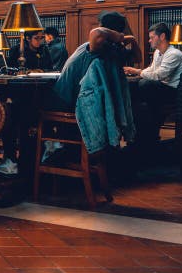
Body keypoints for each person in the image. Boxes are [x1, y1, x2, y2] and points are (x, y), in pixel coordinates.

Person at [47, 11, 140, 164]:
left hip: (78, 101)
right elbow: (96, 32)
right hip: (64, 101)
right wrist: (121, 37)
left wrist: (133, 41)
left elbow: (137, 58)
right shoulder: (94, 46)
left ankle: (95, 156)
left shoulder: (110, 48)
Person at [123, 22, 182, 157]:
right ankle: (137, 133)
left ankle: (142, 136)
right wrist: (137, 73)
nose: (149, 40)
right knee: (131, 85)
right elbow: (151, 70)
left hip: (173, 92)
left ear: (162, 36)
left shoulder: (174, 54)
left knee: (144, 84)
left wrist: (137, 72)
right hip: (161, 88)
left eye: (152, 37)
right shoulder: (158, 52)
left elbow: (158, 75)